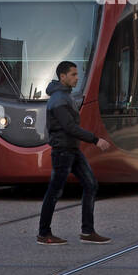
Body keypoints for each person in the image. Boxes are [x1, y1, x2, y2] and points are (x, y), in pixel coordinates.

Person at [37, 60, 112, 245]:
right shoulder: (58, 99)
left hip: (72, 149)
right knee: (55, 191)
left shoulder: (64, 96)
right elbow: (69, 127)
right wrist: (95, 139)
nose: (77, 78)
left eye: (77, 74)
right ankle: (43, 233)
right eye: (73, 75)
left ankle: (87, 231)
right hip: (63, 150)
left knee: (90, 184)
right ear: (62, 77)